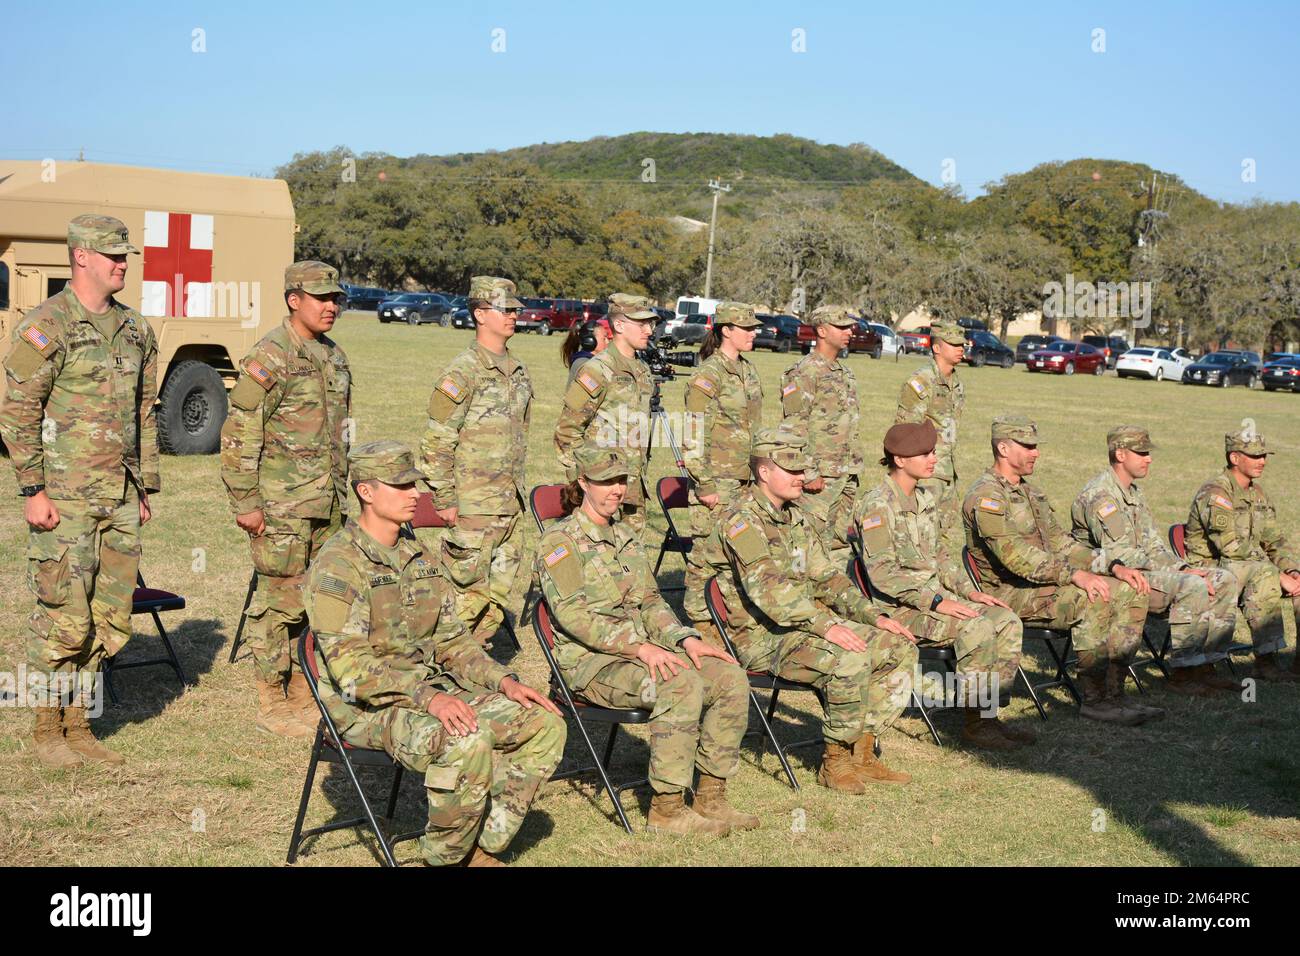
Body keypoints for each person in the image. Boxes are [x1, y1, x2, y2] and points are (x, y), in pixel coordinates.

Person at [305, 441, 565, 867]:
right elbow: (350, 670)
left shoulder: (417, 556)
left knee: (544, 723)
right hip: (364, 708)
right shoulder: (339, 565)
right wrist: (429, 698)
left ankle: (482, 847)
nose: (415, 494)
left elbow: (452, 640)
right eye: (401, 485)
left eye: (415, 485)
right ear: (366, 492)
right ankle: (444, 860)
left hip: (429, 692)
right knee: (468, 738)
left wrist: (504, 681)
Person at [0, 214, 159, 768]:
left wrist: (144, 486)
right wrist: (31, 489)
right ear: (80, 257)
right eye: (112, 254)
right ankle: (46, 729)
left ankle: (80, 724)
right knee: (61, 613)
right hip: (63, 499)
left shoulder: (137, 330)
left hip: (119, 499)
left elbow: (144, 413)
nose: (122, 263)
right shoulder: (47, 325)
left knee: (108, 613)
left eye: (125, 255)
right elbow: (17, 409)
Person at [536, 445, 756, 836]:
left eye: (621, 480)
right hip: (591, 664)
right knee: (680, 683)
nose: (616, 490)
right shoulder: (560, 543)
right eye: (606, 482)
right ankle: (667, 810)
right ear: (583, 483)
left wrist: (685, 639)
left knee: (729, 676)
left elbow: (651, 602)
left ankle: (710, 795)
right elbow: (573, 617)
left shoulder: (626, 536)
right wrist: (639, 647)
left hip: (642, 652)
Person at [707, 425, 919, 793]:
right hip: (762, 637)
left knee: (899, 647)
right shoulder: (740, 520)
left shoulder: (796, 516)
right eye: (792, 470)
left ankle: (861, 751)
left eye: (802, 469)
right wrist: (825, 626)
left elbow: (828, 579)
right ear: (764, 472)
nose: (802, 477)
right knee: (849, 657)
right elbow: (769, 592)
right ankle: (834, 762)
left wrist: (874, 616)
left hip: (803, 626)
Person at [220, 260, 352, 738]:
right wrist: (246, 501)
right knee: (279, 601)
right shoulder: (270, 356)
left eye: (336, 298)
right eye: (322, 298)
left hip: (328, 505)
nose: (332, 306)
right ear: (294, 299)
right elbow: (239, 433)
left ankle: (304, 685)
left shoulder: (334, 357)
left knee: (315, 599)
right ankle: (270, 694)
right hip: (282, 506)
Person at [962, 417, 1158, 726]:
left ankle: (1113, 692)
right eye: (1027, 446)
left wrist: (1112, 566)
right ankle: (1094, 701)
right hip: (1009, 592)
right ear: (1002, 448)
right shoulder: (987, 497)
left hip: (1044, 585)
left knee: (1133, 588)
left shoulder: (1031, 493)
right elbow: (1016, 558)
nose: (1035, 453)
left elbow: (1063, 544)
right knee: (1091, 596)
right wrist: (1075, 575)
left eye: (1036, 446)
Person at [854, 421, 1030, 750]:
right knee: (976, 628)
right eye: (924, 453)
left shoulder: (926, 498)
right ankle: (976, 723)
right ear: (900, 459)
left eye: (933, 451)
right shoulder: (877, 505)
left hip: (937, 598)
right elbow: (883, 574)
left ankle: (988, 714)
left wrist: (970, 591)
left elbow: (943, 558)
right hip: (900, 609)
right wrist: (936, 601)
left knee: (1006, 620)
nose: (934, 458)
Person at [1071, 425, 1241, 696]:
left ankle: (1207, 667)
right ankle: (1184, 674)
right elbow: (1120, 554)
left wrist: (1184, 567)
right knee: (1190, 586)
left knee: (1222, 579)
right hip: (1116, 579)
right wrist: (1182, 575)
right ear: (1120, 454)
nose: (1148, 458)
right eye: (1141, 452)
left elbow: (1155, 547)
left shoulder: (1135, 494)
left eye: (1148, 452)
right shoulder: (1101, 496)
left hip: (1144, 572)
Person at [420, 275, 531, 647]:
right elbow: (437, 441)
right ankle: (439, 666)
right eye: (505, 309)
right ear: (481, 314)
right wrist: (446, 499)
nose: (514, 315)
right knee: (461, 596)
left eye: (516, 309)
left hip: (509, 505)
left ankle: (473, 664)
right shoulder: (462, 372)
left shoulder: (518, 370)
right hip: (473, 505)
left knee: (496, 598)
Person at [1184, 424, 1300, 683]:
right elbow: (1230, 548)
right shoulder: (1216, 493)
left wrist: (1292, 570)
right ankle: (1265, 661)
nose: (1263, 461)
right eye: (1255, 456)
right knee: (1265, 573)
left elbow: (1274, 541)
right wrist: (1278, 574)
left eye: (1264, 455)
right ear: (1234, 458)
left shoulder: (1257, 494)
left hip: (1249, 567)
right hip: (1212, 568)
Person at [681, 302, 764, 632]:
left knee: (738, 550)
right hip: (717, 479)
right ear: (726, 330)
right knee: (706, 553)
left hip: (745, 479)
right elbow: (693, 432)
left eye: (754, 328)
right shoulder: (707, 375)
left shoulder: (749, 371)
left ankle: (730, 616)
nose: (753, 333)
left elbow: (754, 426)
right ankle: (700, 621)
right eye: (747, 328)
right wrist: (704, 483)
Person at [554, 293, 657, 538]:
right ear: (619, 325)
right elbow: (568, 428)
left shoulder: (642, 369)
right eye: (641, 323)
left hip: (633, 479)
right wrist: (579, 478)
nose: (649, 330)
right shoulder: (597, 369)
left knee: (631, 552)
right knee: (594, 550)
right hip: (599, 481)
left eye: (650, 324)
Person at [780, 304, 865, 566]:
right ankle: (802, 598)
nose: (849, 331)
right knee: (808, 541)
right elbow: (793, 426)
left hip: (845, 471)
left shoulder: (843, 371)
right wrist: (809, 471)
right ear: (821, 330)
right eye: (840, 327)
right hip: (820, 475)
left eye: (849, 326)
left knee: (839, 543)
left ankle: (832, 599)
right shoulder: (804, 371)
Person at [895, 321, 967, 554]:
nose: (960, 348)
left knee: (943, 530)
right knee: (919, 530)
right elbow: (906, 431)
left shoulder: (957, 384)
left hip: (947, 470)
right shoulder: (921, 382)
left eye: (962, 344)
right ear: (936, 348)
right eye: (953, 344)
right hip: (926, 471)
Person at [562, 316, 612, 384]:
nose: (608, 342)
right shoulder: (583, 363)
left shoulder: (594, 360)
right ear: (590, 341)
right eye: (604, 338)